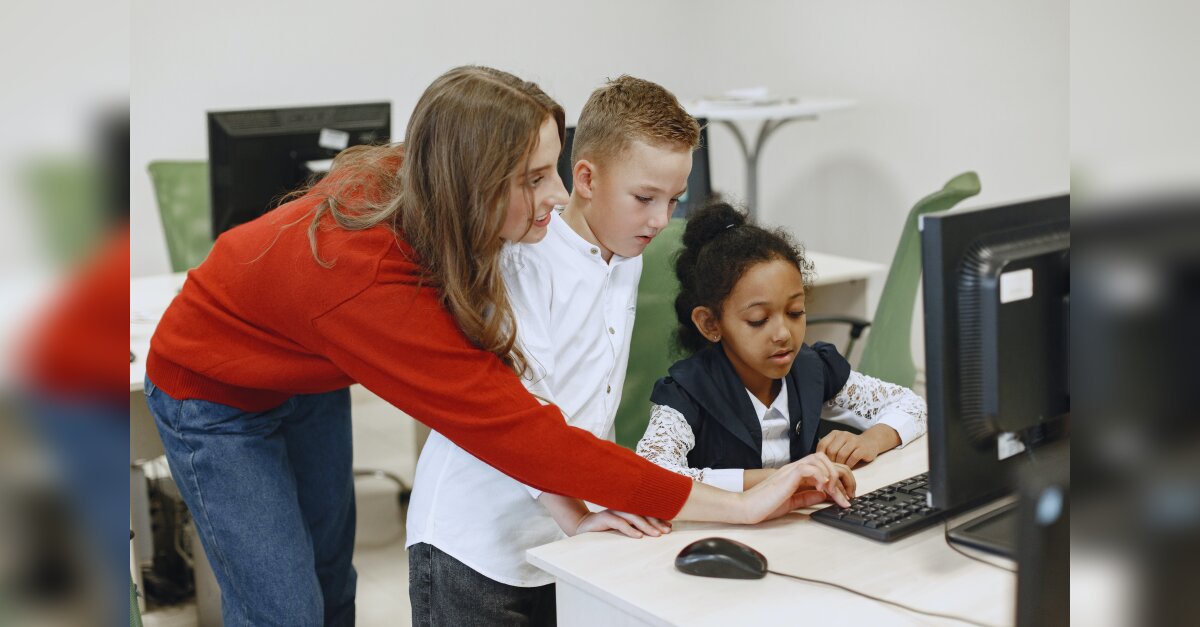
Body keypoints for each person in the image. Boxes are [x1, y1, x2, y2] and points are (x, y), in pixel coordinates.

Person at [143, 66, 850, 627]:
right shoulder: (371, 284)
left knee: (331, 582)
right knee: (286, 610)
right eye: (534, 179)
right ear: (475, 184)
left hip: (303, 368)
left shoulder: (436, 188)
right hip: (212, 388)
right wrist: (737, 507)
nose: (557, 195)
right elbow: (524, 435)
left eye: (552, 167)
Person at [637, 202, 928, 492]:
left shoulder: (812, 369)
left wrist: (869, 441)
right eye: (758, 320)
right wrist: (787, 478)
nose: (783, 334)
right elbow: (651, 477)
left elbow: (913, 406)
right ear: (711, 324)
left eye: (795, 312)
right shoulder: (688, 393)